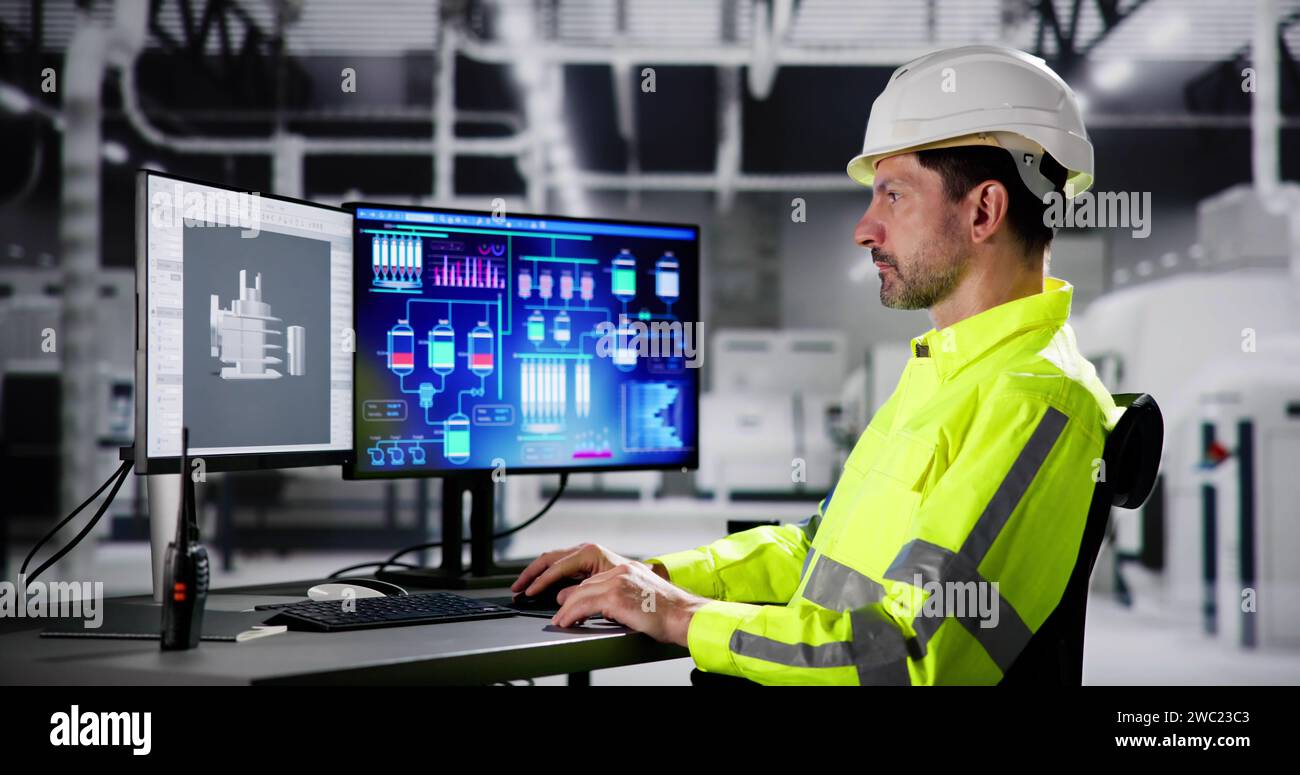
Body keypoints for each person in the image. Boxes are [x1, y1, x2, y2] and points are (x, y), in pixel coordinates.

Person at [511, 45, 1120, 685]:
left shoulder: (1034, 400)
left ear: (983, 211)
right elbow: (814, 553)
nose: (865, 228)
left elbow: (909, 655)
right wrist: (653, 575)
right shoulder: (949, 373)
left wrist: (685, 617)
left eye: (893, 195)